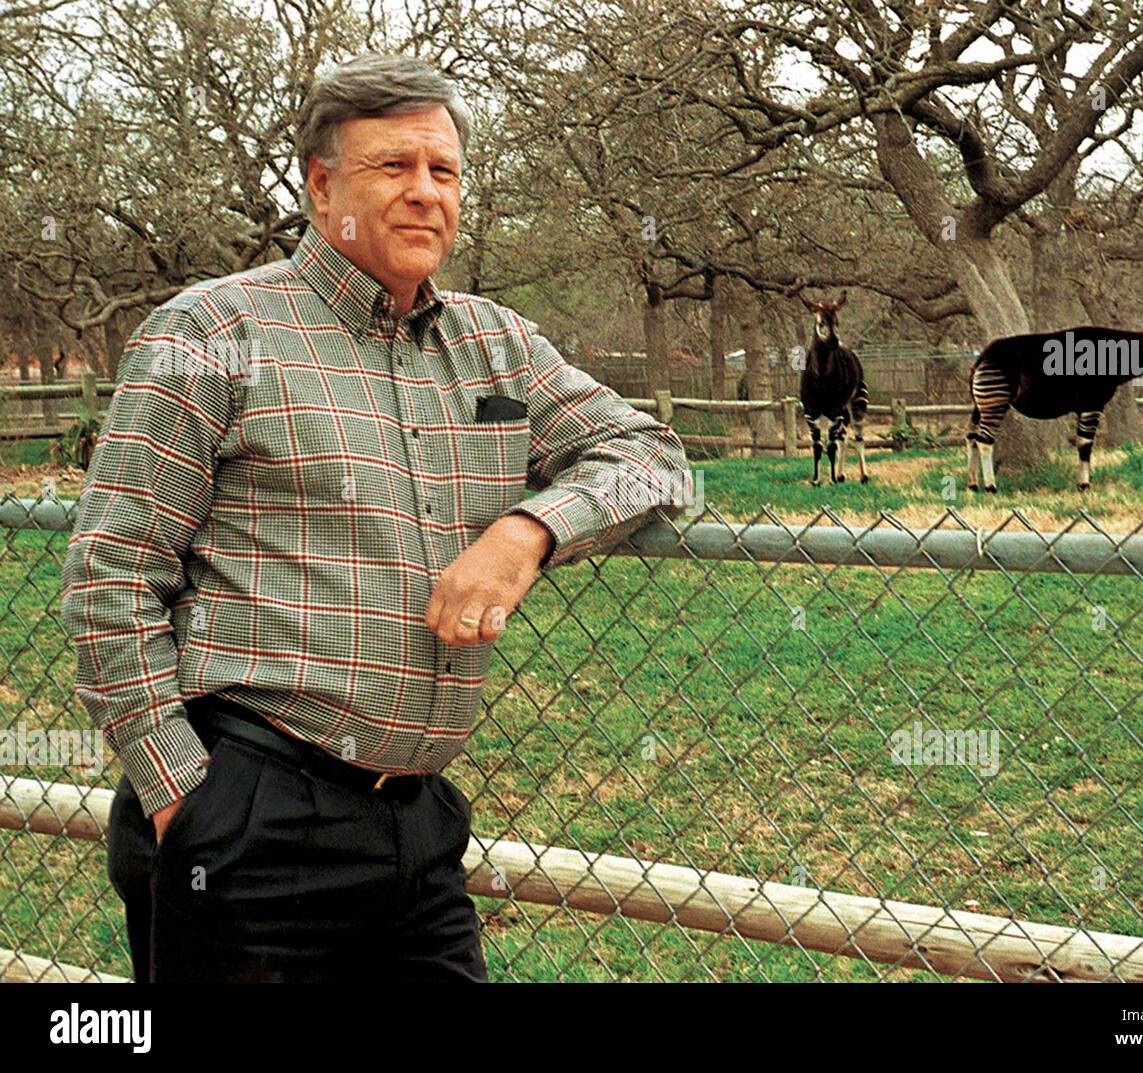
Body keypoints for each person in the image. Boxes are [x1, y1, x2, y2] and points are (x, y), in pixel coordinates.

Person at [60, 52, 691, 982]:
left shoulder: (496, 345)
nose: (425, 192)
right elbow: (111, 573)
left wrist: (530, 531)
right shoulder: (213, 334)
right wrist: (181, 798)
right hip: (245, 812)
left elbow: (654, 458)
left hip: (418, 824)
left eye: (444, 171)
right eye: (393, 167)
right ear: (323, 187)